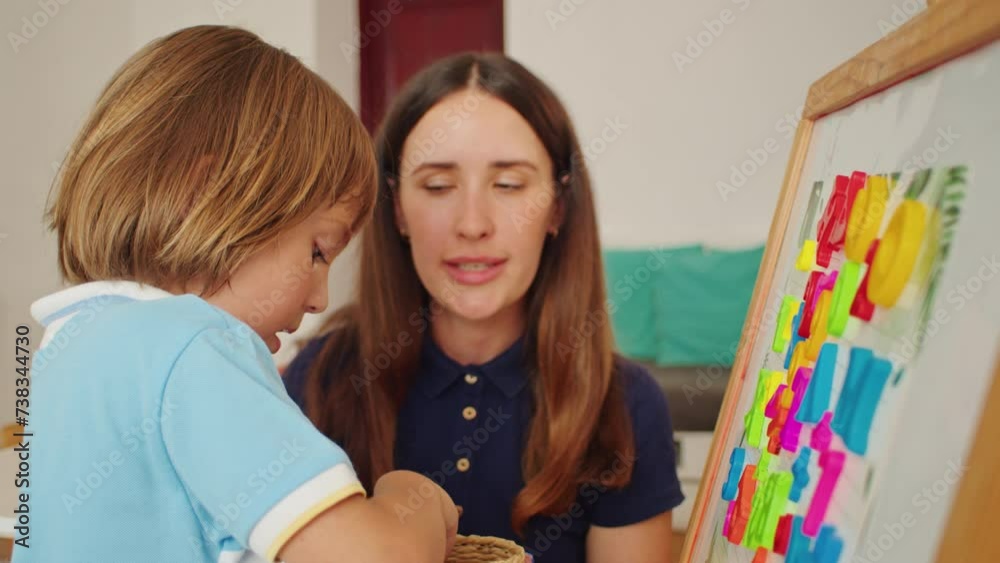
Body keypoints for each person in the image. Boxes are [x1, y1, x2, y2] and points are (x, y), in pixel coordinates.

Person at [16, 25, 457, 563]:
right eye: (318, 251)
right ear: (202, 196)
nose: (320, 298)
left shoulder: (67, 344)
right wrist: (412, 493)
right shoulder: (193, 345)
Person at [283, 52, 684, 562]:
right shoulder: (320, 382)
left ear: (557, 207)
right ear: (398, 209)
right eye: (438, 186)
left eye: (509, 184)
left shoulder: (623, 405)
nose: (473, 223)